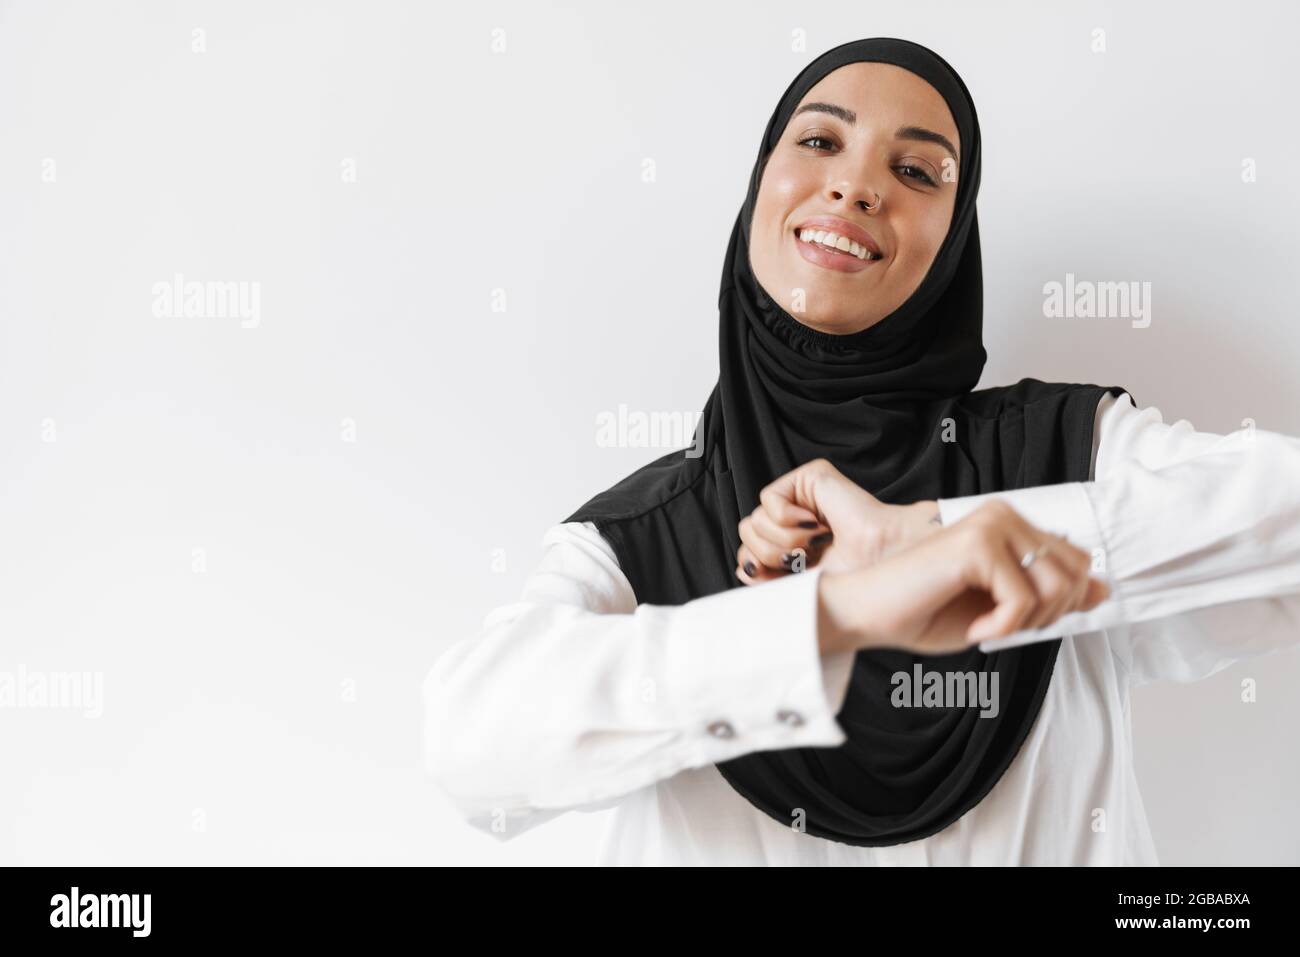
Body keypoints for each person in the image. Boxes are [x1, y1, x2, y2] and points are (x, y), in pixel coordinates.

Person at [422, 38, 1300, 864]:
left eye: (914, 170)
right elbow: (475, 755)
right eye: (818, 141)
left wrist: (949, 537)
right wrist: (840, 613)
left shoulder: (1067, 451)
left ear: (953, 246)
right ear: (759, 182)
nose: (854, 187)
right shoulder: (636, 537)